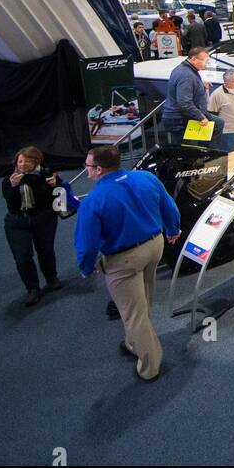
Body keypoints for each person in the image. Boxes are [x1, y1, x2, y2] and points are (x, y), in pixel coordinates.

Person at [74, 146, 181, 383]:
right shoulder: (146, 177)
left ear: (98, 169)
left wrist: (86, 267)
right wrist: (173, 229)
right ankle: (134, 342)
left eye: (88, 167)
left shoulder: (93, 201)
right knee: (144, 298)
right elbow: (169, 207)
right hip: (155, 246)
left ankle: (150, 366)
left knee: (133, 314)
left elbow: (86, 243)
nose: (86, 171)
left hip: (123, 260)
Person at [1, 146, 63, 306]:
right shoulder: (9, 179)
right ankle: (32, 288)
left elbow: (60, 198)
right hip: (17, 222)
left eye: (28, 161)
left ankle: (51, 278)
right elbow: (12, 206)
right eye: (20, 161)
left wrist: (55, 185)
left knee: (46, 251)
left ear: (36, 161)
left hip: (44, 219)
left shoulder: (47, 174)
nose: (23, 164)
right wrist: (13, 188)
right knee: (22, 257)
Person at [162, 46, 213, 145]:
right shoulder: (187, 75)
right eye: (205, 61)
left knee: (218, 123)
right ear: (193, 59)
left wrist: (200, 85)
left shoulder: (184, 69)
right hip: (178, 119)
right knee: (185, 149)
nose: (207, 64)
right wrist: (200, 117)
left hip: (177, 117)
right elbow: (184, 102)